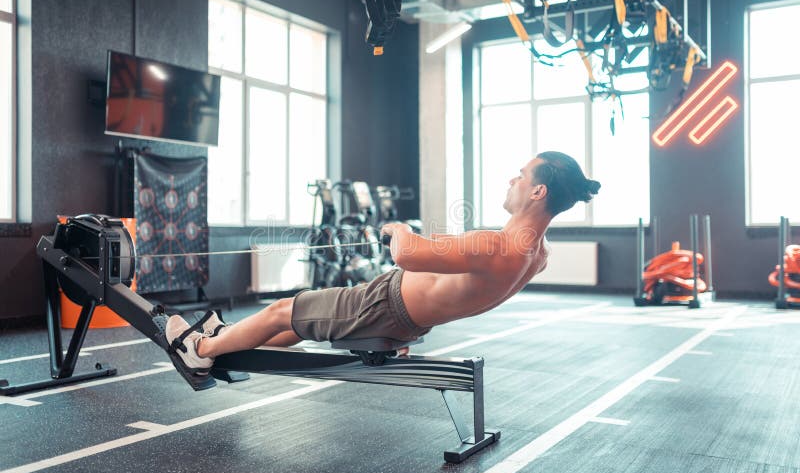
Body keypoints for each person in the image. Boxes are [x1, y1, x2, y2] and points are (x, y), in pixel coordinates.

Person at [165, 151, 600, 375]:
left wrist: (400, 228)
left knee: (283, 309)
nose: (512, 179)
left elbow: (407, 254)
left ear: (538, 192)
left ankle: (200, 350)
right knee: (296, 325)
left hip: (384, 305)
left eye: (521, 175)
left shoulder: (497, 244)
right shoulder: (537, 256)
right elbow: (459, 277)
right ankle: (228, 342)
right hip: (408, 321)